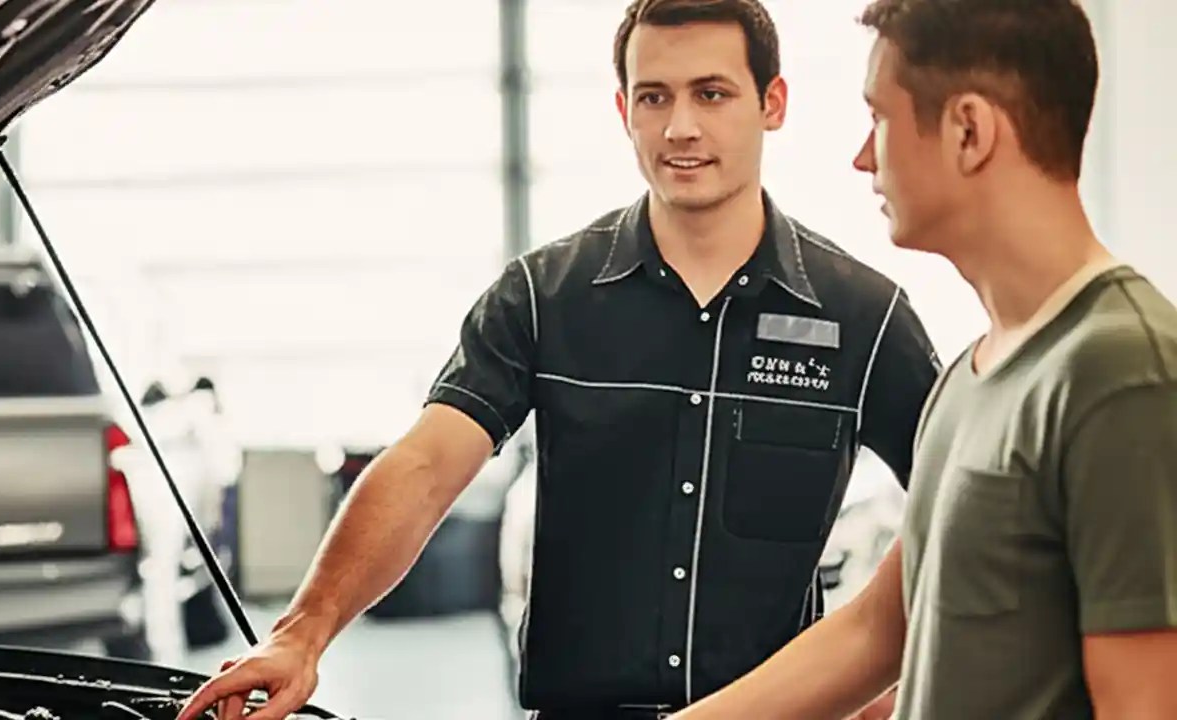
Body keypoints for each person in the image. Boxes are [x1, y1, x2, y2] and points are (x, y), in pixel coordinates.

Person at [175, 1, 940, 718]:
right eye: (653, 97)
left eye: (712, 94)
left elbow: (963, 520)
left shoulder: (862, 319)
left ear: (772, 103)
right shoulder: (543, 298)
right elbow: (426, 466)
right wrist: (302, 633)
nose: (679, 128)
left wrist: (893, 698)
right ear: (622, 110)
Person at [670, 1, 1177, 718]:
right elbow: (879, 631)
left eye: (878, 116)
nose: (863, 156)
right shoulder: (970, 379)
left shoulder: (1122, 374)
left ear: (968, 131)